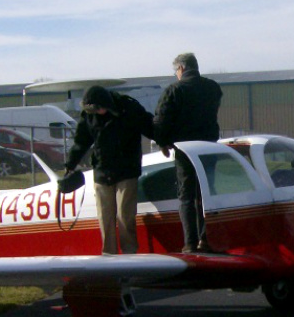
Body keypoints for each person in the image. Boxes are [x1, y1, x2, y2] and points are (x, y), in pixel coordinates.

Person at [65, 85, 154, 255]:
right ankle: (109, 254)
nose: (98, 113)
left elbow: (148, 125)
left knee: (125, 216)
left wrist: (164, 141)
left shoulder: (128, 108)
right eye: (94, 111)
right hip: (102, 171)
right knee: (105, 217)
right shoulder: (89, 115)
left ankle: (129, 253)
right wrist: (70, 164)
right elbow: (81, 142)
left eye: (99, 109)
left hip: (127, 170)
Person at [152, 52, 223, 253]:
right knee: (206, 193)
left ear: (181, 68)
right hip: (209, 147)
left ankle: (190, 243)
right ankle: (206, 239)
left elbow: (161, 120)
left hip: (185, 149)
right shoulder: (213, 88)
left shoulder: (174, 90)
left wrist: (162, 142)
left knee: (186, 196)